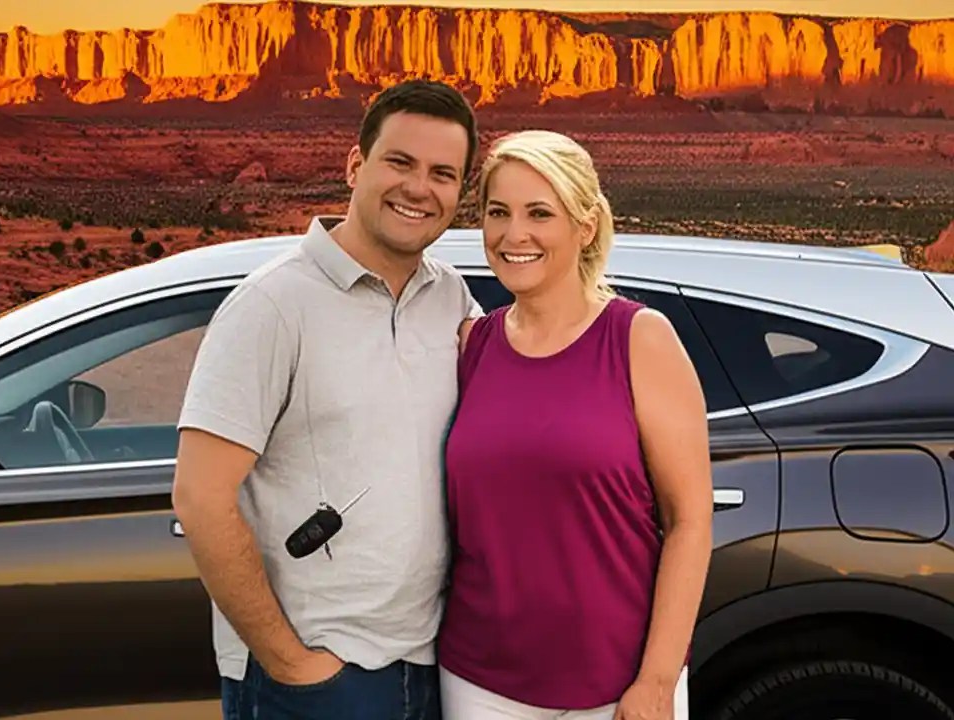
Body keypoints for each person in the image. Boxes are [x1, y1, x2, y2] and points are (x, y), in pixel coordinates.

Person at [172, 79, 484, 720]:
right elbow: (199, 496)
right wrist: (292, 665)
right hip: (319, 677)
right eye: (400, 162)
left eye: (442, 173)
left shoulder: (451, 298)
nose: (419, 188)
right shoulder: (272, 305)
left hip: (434, 664)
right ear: (354, 165)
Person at [437, 130, 714, 720]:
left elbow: (689, 520)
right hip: (480, 682)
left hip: (618, 685)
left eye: (540, 213)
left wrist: (657, 683)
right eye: (497, 213)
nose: (515, 235)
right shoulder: (472, 345)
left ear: (585, 227)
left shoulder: (639, 339)